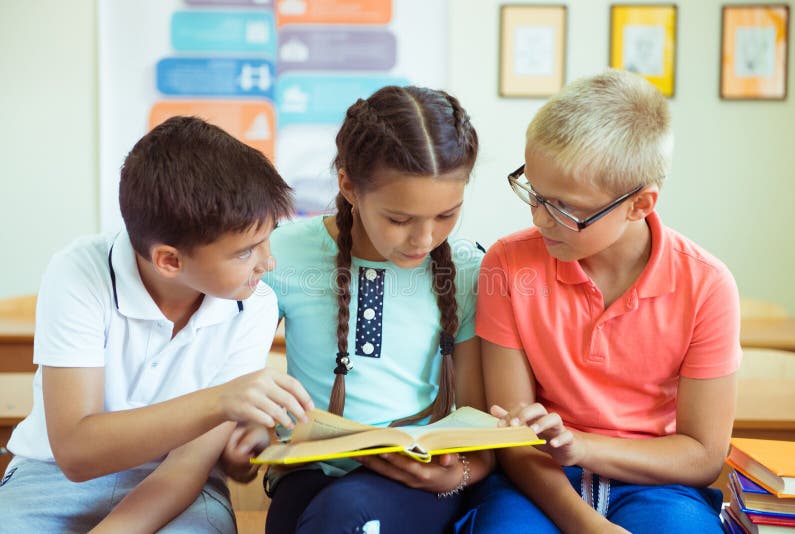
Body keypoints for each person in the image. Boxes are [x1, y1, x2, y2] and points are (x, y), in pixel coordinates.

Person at [459, 70, 741, 533]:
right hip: (538, 480)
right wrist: (587, 526)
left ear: (641, 204)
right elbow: (514, 441)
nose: (540, 219)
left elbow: (703, 456)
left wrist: (581, 446)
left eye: (566, 209)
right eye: (534, 193)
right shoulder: (507, 264)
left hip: (659, 484)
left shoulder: (707, 285)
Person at [0, 116, 314, 533]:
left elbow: (186, 468)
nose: (267, 262)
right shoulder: (79, 272)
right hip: (49, 478)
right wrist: (221, 401)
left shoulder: (254, 305)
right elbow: (76, 453)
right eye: (244, 252)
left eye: (268, 236)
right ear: (169, 260)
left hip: (180, 486)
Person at [223, 85, 492, 533]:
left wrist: (459, 473)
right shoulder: (281, 256)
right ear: (348, 185)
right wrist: (247, 436)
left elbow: (479, 432)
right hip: (308, 472)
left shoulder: (467, 270)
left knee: (347, 514)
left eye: (446, 215)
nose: (424, 240)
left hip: (421, 483)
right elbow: (235, 378)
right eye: (400, 219)